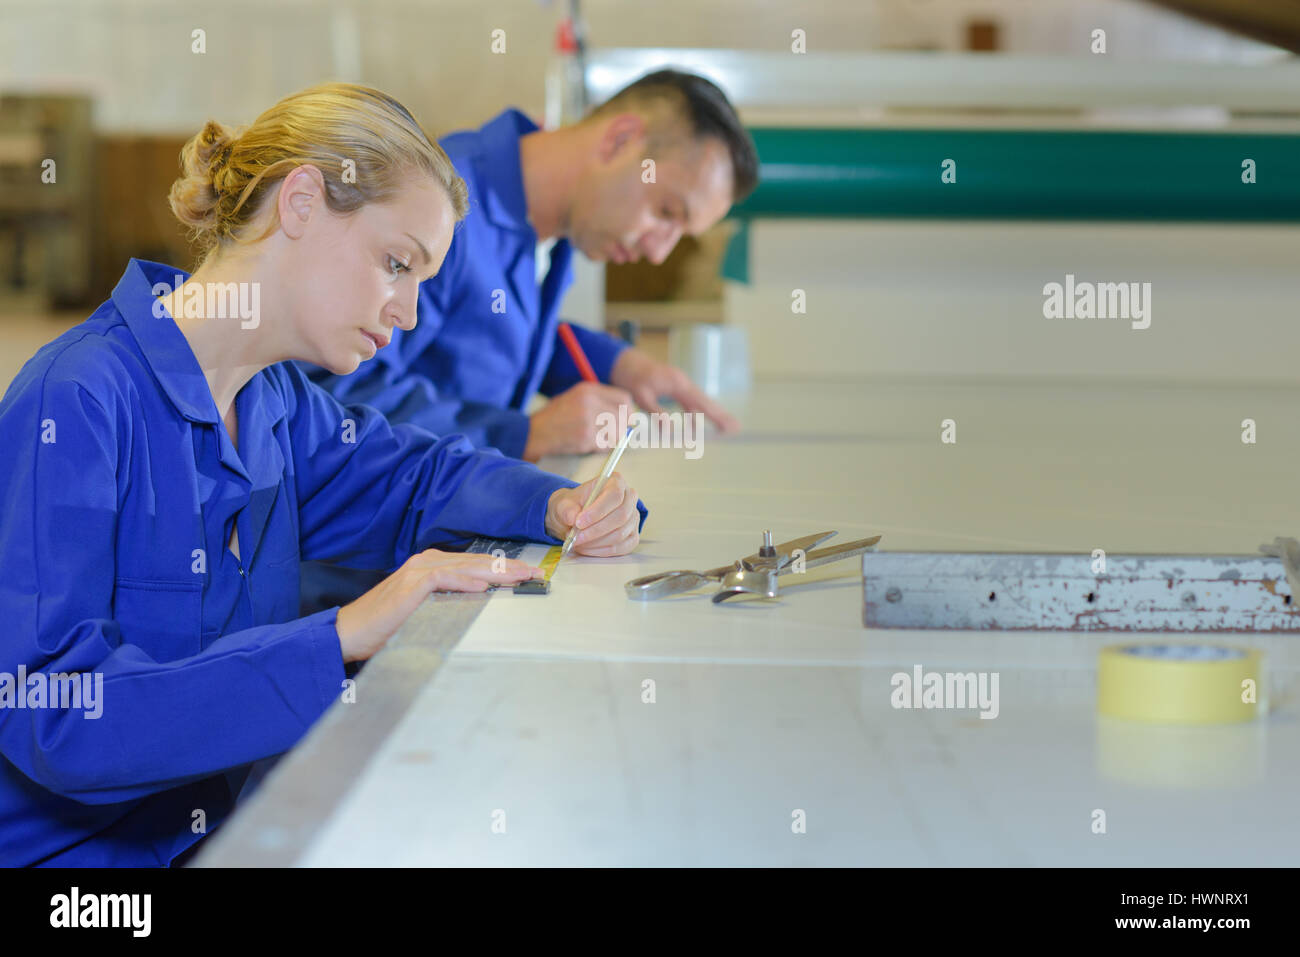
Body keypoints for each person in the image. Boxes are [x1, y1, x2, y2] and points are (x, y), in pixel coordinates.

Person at [0, 83, 643, 867]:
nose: (406, 311)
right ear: (301, 201)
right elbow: (55, 716)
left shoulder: (276, 406)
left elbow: (415, 476)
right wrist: (340, 637)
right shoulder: (77, 400)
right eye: (395, 263)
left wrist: (558, 503)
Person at [301, 69, 760, 462]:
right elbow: (335, 397)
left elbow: (482, 337)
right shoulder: (444, 210)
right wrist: (522, 434)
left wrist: (617, 363)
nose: (659, 252)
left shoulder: (548, 228)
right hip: (358, 562)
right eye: (666, 211)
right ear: (620, 140)